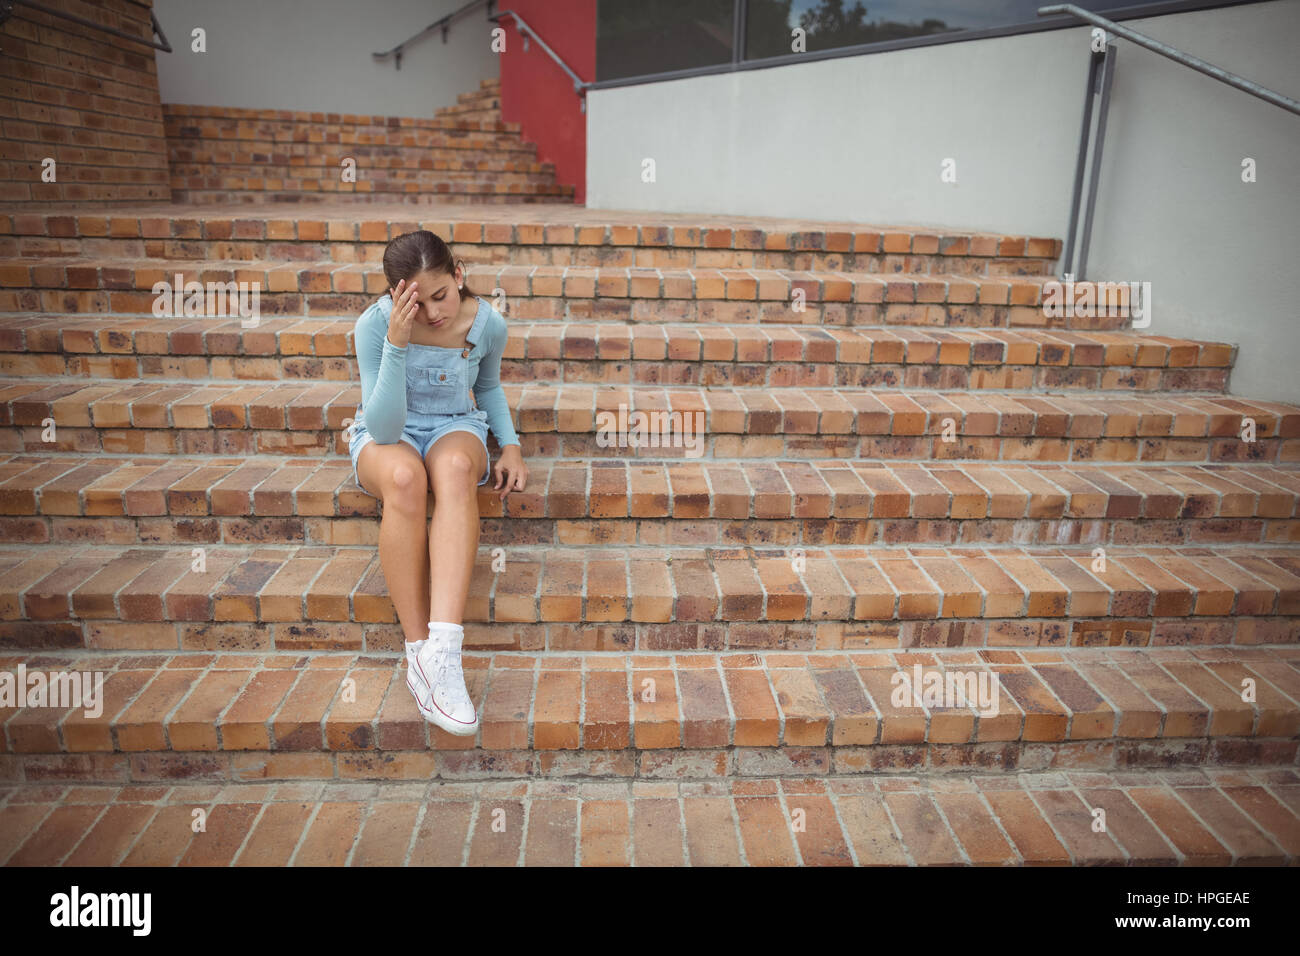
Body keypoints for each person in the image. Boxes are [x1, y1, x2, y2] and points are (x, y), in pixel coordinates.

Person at [346, 230, 528, 736]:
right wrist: (398, 343)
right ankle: (417, 653)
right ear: (394, 296)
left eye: (441, 296)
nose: (432, 314)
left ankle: (444, 653)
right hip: (389, 434)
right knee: (404, 479)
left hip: (453, 425)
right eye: (416, 302)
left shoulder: (487, 325)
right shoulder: (375, 327)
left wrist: (509, 443)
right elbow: (382, 428)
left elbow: (487, 387)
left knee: (454, 470)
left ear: (459, 276)